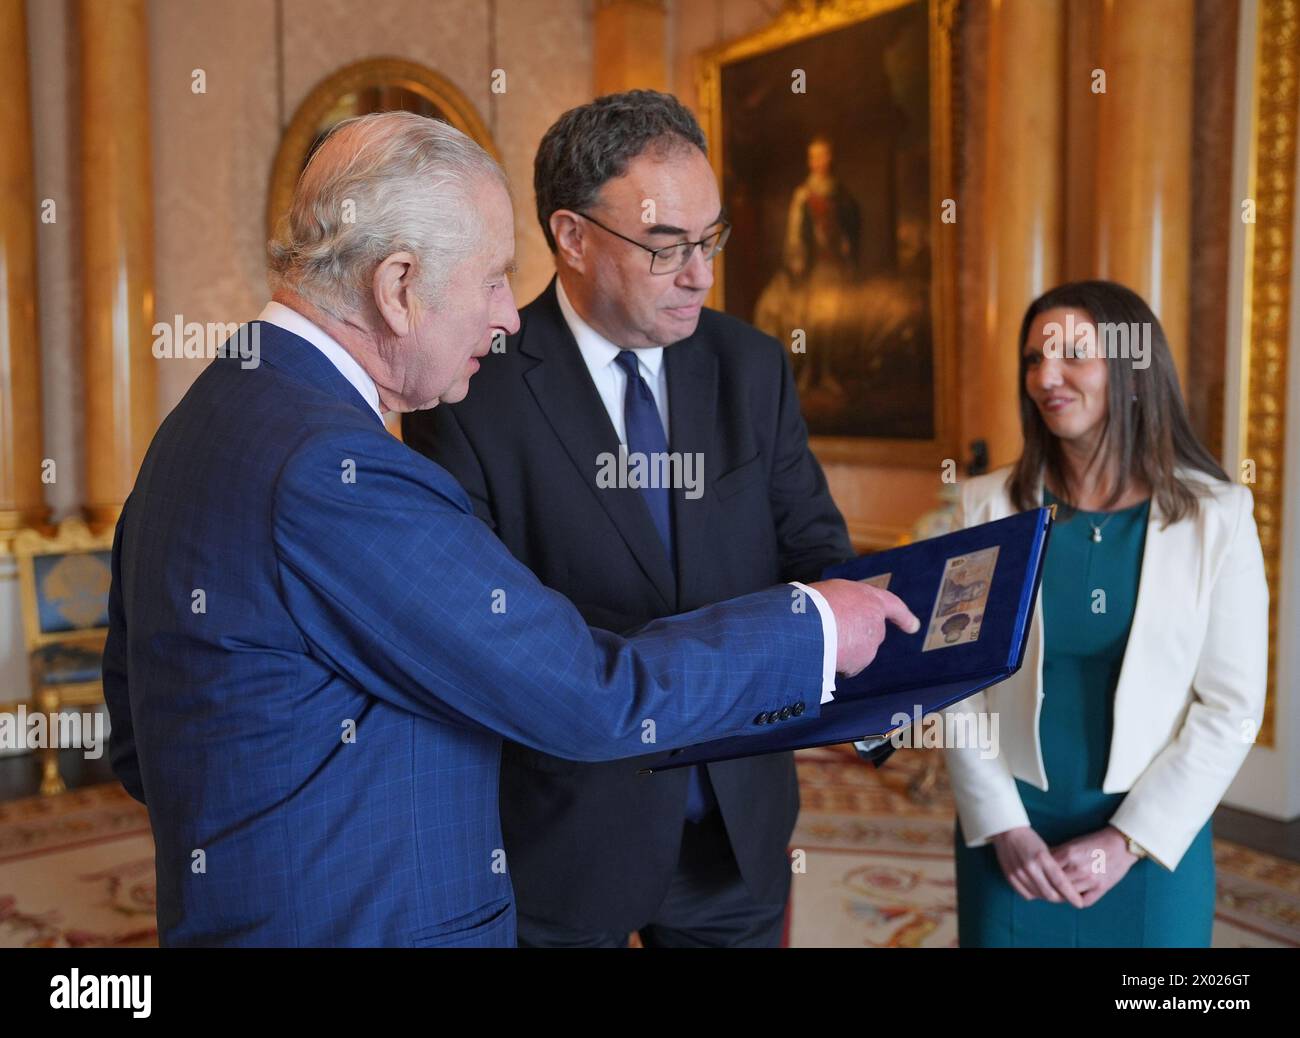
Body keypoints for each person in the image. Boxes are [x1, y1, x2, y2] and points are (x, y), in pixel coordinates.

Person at [102, 111, 919, 948]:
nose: (507, 316)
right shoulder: (333, 472)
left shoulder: (207, 415)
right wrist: (813, 625)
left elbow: (140, 740)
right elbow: (589, 693)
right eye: (492, 279)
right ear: (398, 286)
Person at [404, 91, 852, 948]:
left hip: (735, 835)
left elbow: (815, 552)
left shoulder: (749, 365)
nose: (701, 274)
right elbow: (485, 632)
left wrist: (885, 670)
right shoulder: (470, 388)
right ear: (570, 237)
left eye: (711, 237)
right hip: (566, 839)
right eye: (666, 246)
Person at [942, 280, 1267, 947]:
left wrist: (1127, 841)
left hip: (1151, 841)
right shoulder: (981, 509)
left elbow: (1230, 705)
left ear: (1132, 368)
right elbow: (954, 685)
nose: (1045, 376)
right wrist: (1003, 825)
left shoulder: (1217, 517)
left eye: (1071, 354)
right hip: (1011, 837)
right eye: (1033, 358)